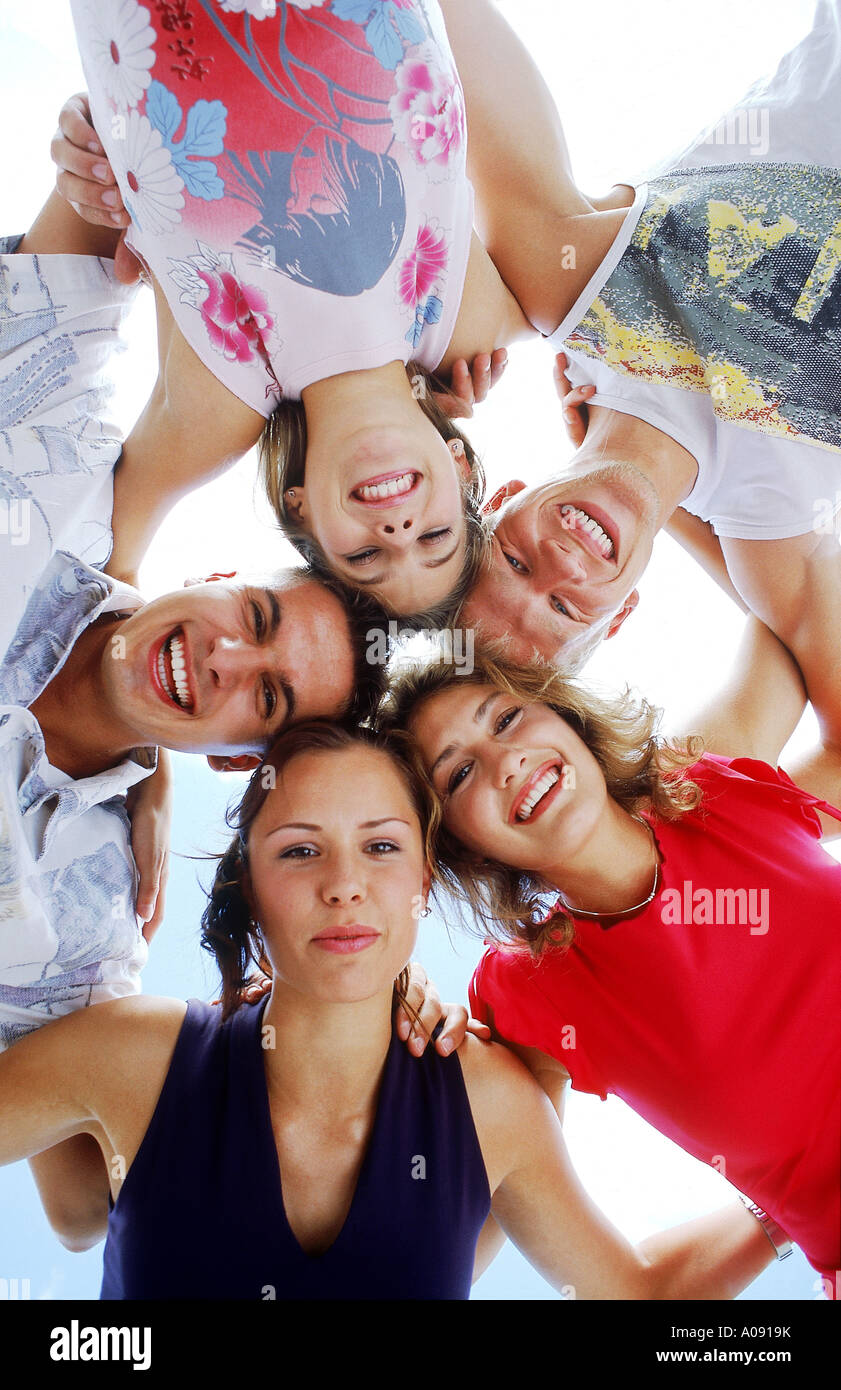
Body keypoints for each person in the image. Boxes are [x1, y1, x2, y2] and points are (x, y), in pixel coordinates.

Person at [0, 721, 777, 1299]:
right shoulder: (134, 1056)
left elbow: (636, 1294)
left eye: (380, 847)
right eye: (299, 850)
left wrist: (797, 1201)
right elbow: (74, 1220)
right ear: (248, 890)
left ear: (424, 882)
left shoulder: (487, 1102)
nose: (344, 885)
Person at [0, 185, 390, 1237]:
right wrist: (100, 160)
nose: (220, 655)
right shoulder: (50, 476)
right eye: (253, 614)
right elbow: (86, 214)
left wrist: (324, 1029)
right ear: (219, 571)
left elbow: (84, 1205)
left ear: (236, 757)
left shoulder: (83, 928)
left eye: (262, 694)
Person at [439, 0, 840, 805]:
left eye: (513, 561)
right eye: (559, 608)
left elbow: (450, 24)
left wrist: (413, 367)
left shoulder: (570, 290)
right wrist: (669, 841)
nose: (554, 564)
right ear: (617, 618)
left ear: (508, 497)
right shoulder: (768, 532)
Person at [386, 629, 841, 1298]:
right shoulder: (526, 991)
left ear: (560, 712)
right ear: (459, 843)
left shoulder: (706, 784)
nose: (505, 761)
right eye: (458, 774)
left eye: (506, 717)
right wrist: (371, 1001)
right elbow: (478, 1244)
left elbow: (792, 601)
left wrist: (656, 521)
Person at [62, 0, 530, 618]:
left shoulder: (219, 408)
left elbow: (99, 568)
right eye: (435, 538)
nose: (397, 536)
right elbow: (609, 288)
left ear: (302, 508)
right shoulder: (473, 319)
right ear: (462, 468)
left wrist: (87, 154)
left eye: (365, 559)